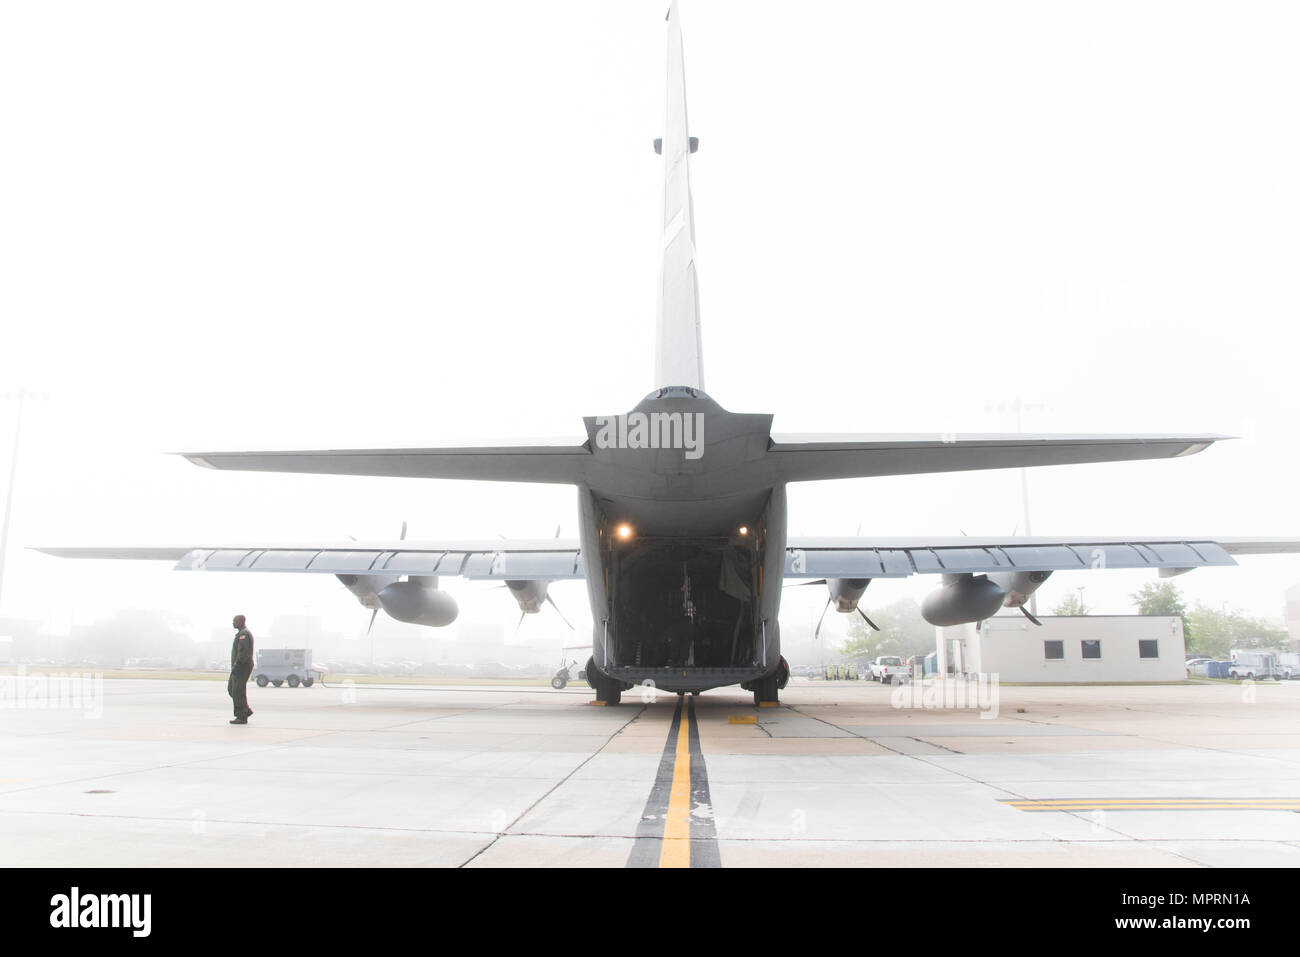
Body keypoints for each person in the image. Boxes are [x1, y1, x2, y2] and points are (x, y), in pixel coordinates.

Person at [227, 614, 255, 724]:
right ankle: (245, 710)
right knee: (232, 689)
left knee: (238, 691)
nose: (233, 623)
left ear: (241, 621)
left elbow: (243, 653)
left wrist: (237, 666)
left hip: (242, 666)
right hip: (239, 666)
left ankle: (242, 716)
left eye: (235, 621)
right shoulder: (241, 633)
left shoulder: (244, 634)